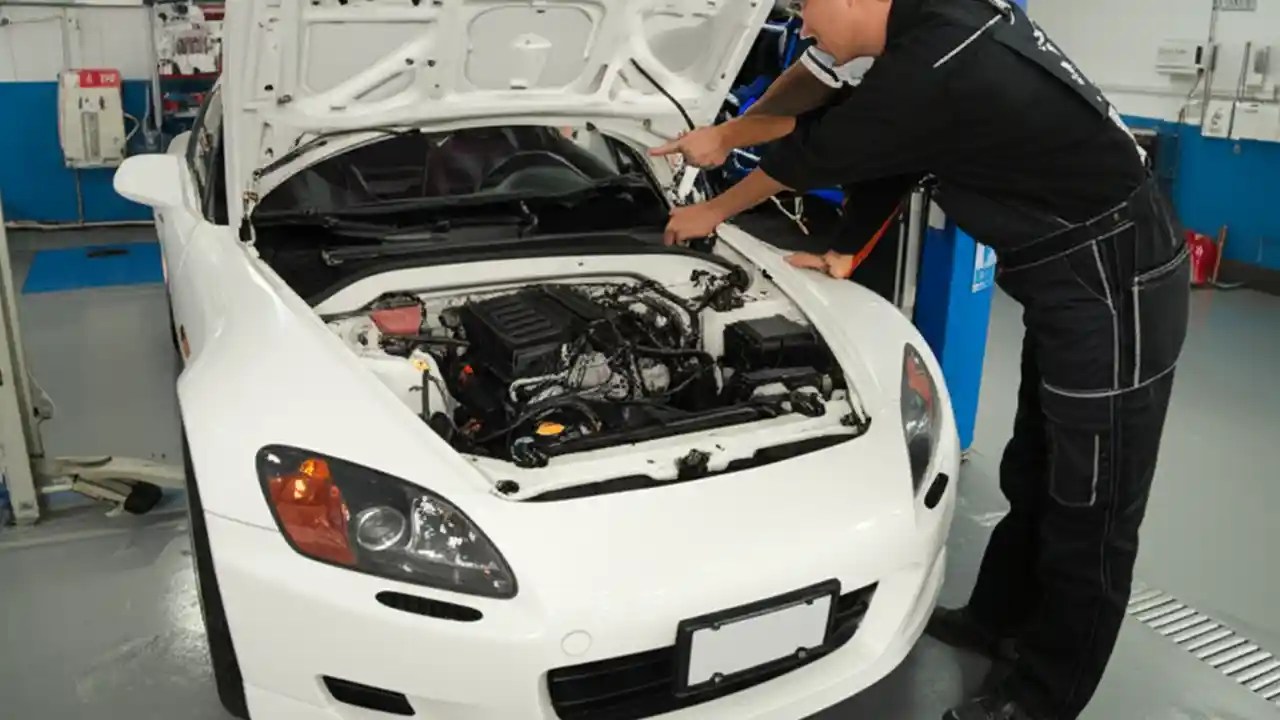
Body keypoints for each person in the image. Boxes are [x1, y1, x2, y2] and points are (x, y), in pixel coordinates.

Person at [653, 1, 1191, 719]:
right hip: (1074, 277)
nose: (805, 28)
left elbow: (819, 150)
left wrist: (710, 212)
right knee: (1036, 465)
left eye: (807, 9)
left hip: (1117, 281)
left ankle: (1043, 699)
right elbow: (893, 144)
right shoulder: (925, 29)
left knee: (1092, 506)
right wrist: (846, 246)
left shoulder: (935, 61)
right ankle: (998, 618)